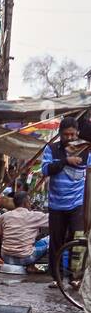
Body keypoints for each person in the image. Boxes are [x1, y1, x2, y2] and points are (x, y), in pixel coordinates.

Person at [42, 114, 91, 278]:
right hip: (56, 205)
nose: (69, 138)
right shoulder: (52, 149)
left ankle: (74, 277)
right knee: (56, 242)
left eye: (72, 134)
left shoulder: (85, 151)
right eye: (65, 134)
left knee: (76, 242)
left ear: (77, 133)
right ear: (60, 133)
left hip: (77, 204)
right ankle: (57, 278)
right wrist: (65, 161)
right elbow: (45, 170)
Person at [0, 190, 49, 270]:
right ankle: (53, 268)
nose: (30, 204)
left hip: (5, 256)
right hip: (25, 259)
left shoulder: (5, 216)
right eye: (29, 202)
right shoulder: (33, 216)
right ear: (26, 203)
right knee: (49, 240)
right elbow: (53, 220)